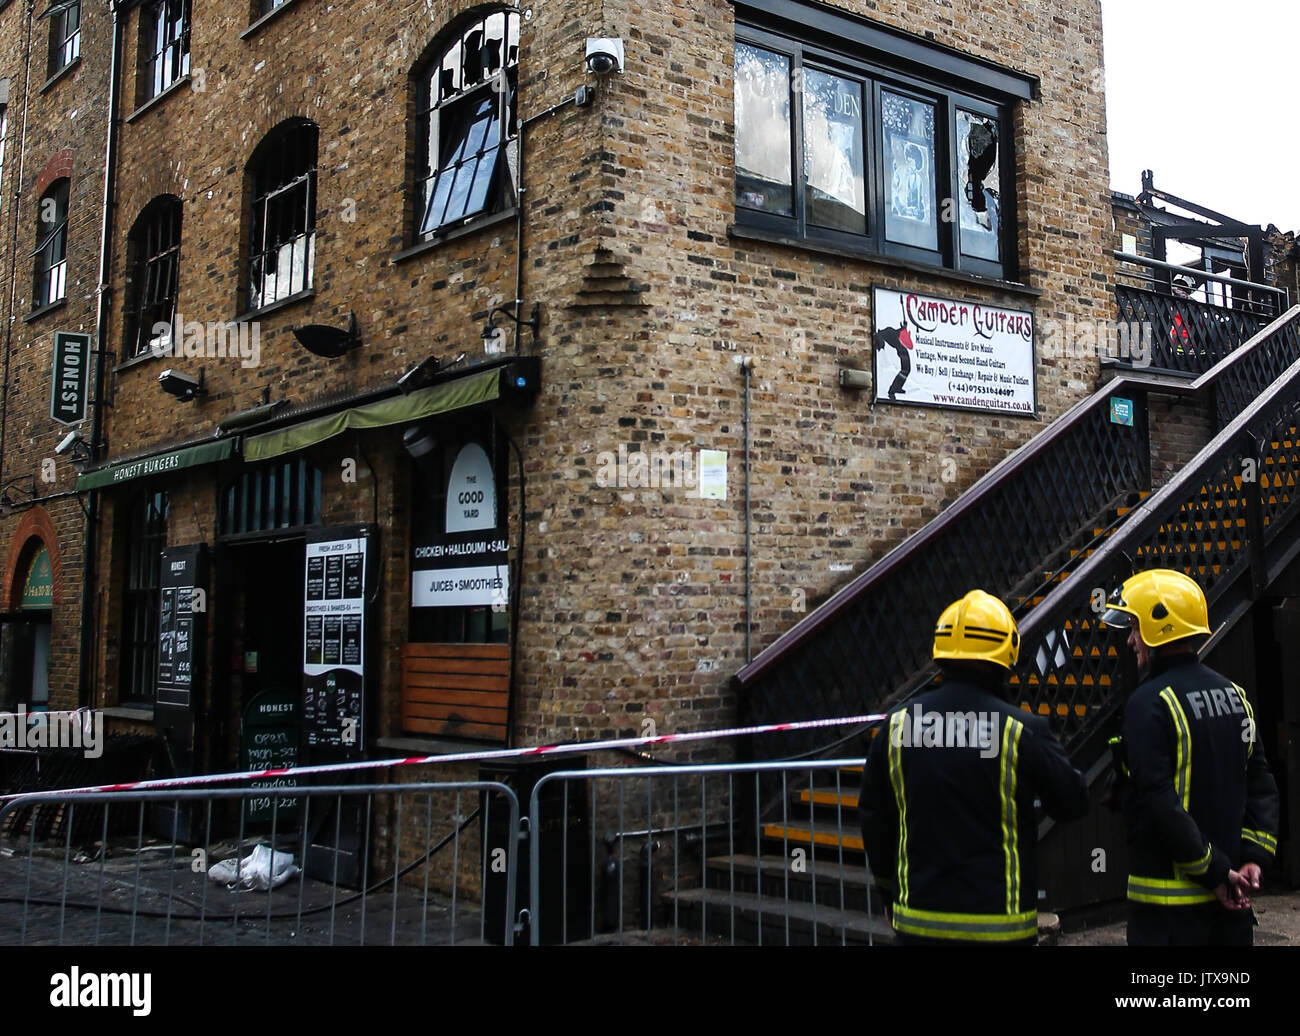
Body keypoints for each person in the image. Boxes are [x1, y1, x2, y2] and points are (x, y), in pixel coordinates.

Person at [858, 590, 1088, 944]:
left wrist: (887, 890)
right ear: (1007, 651)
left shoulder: (897, 725)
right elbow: (1072, 802)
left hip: (918, 924)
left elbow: (875, 819)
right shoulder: (1020, 730)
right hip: (999, 928)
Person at [1102, 568, 1280, 946]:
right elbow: (1261, 782)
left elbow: (1158, 800)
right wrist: (1253, 859)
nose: (1132, 641)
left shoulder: (1148, 703)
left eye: (1135, 628)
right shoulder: (1236, 694)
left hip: (1167, 917)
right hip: (1233, 909)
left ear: (1157, 628)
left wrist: (1213, 872)